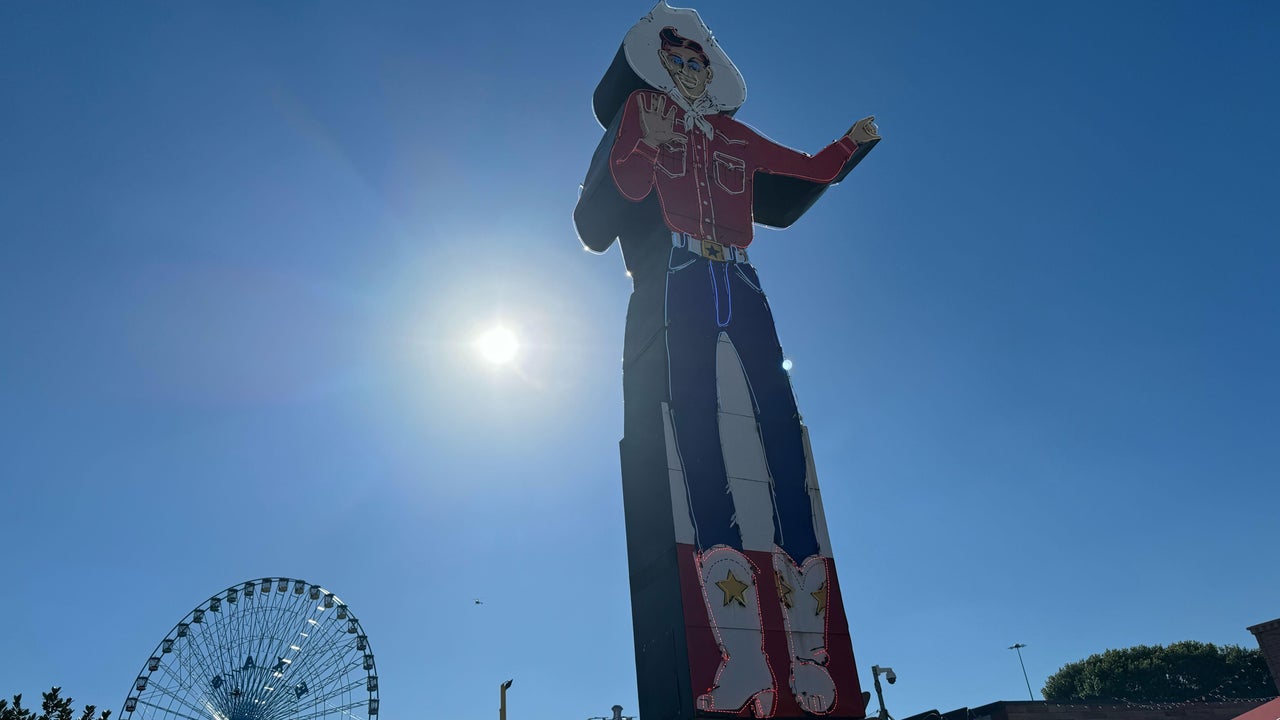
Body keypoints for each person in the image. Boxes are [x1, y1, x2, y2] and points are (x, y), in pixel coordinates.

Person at [577, 14, 880, 718]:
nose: (689, 70)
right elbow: (605, 210)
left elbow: (803, 170)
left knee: (778, 433)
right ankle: (741, 656)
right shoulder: (642, 115)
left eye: (698, 61)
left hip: (742, 282)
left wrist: (850, 146)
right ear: (658, 66)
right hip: (677, 276)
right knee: (696, 441)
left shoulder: (731, 133)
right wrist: (646, 152)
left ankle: (809, 659)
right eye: (676, 60)